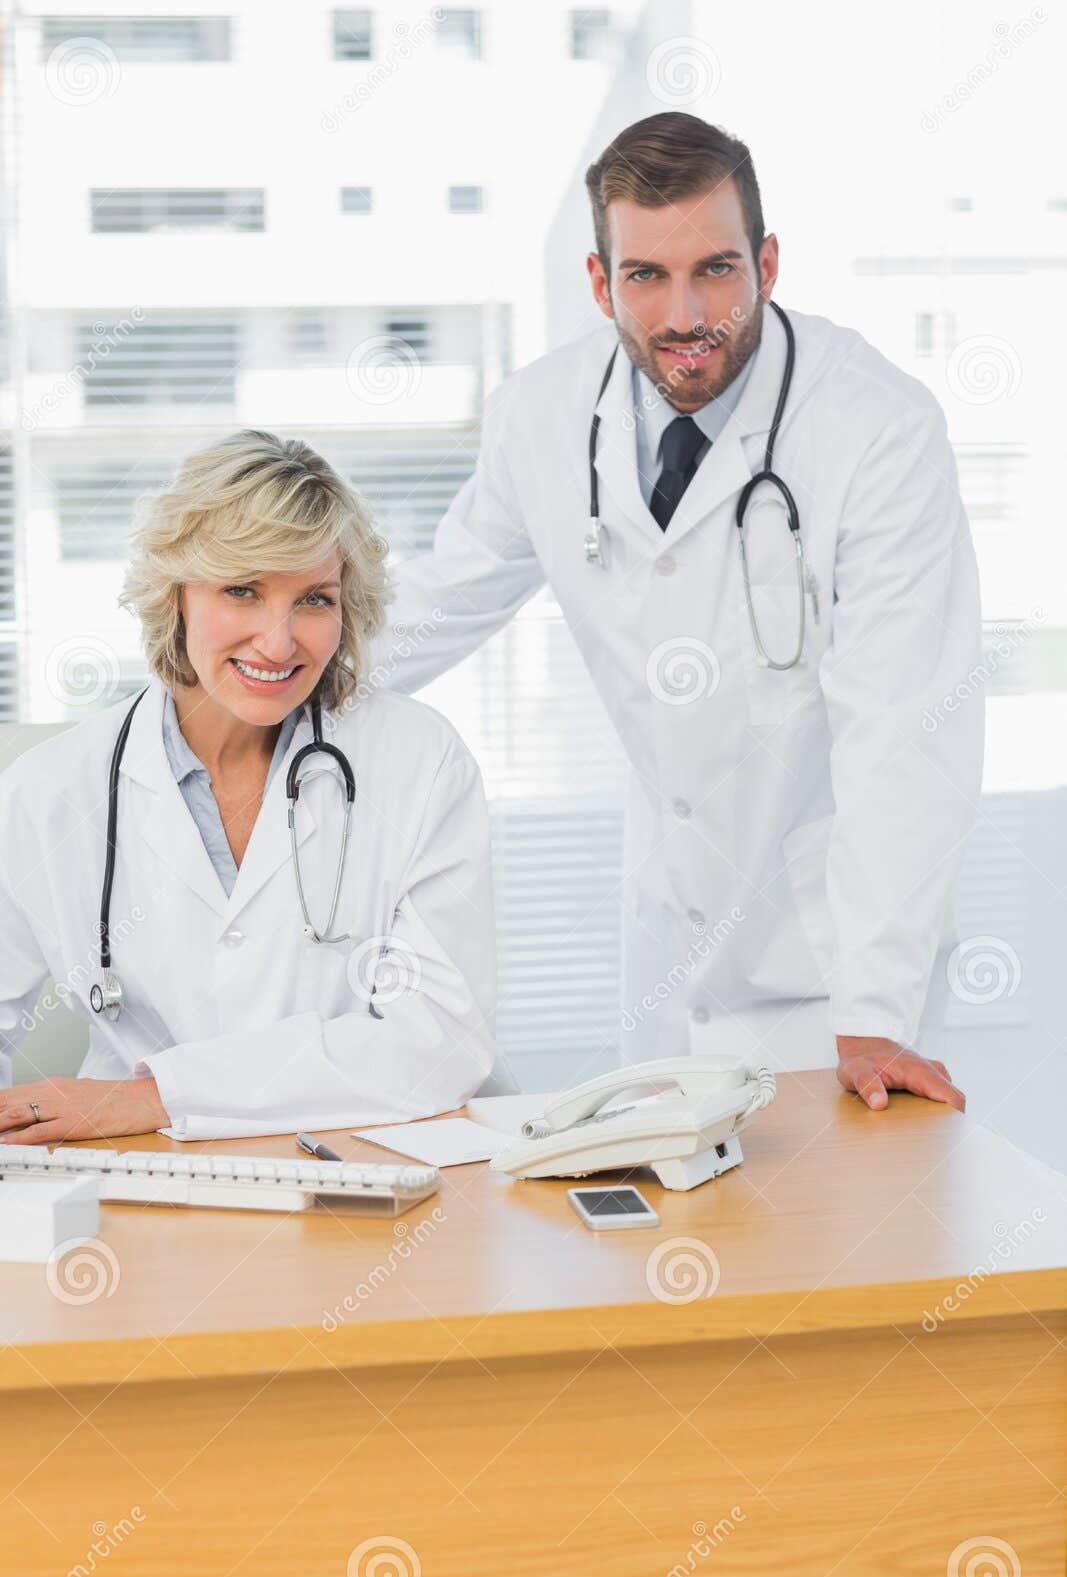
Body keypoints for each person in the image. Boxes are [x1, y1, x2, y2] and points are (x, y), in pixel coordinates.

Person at [365, 112, 984, 1112]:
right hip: (668, 951)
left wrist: (874, 1009)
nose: (685, 311)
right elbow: (435, 605)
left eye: (716, 270)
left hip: (840, 969)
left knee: (844, 1248)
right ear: (601, 283)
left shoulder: (875, 426)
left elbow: (903, 729)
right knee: (673, 1239)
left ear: (767, 265)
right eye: (646, 276)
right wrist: (253, 677)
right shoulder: (541, 415)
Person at [0, 430, 495, 1144]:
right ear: (175, 596)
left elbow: (441, 1041)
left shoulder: (419, 761)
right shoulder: (51, 792)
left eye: (314, 600)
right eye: (242, 590)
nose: (278, 641)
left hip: (354, 1164)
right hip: (130, 1176)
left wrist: (160, 1095)